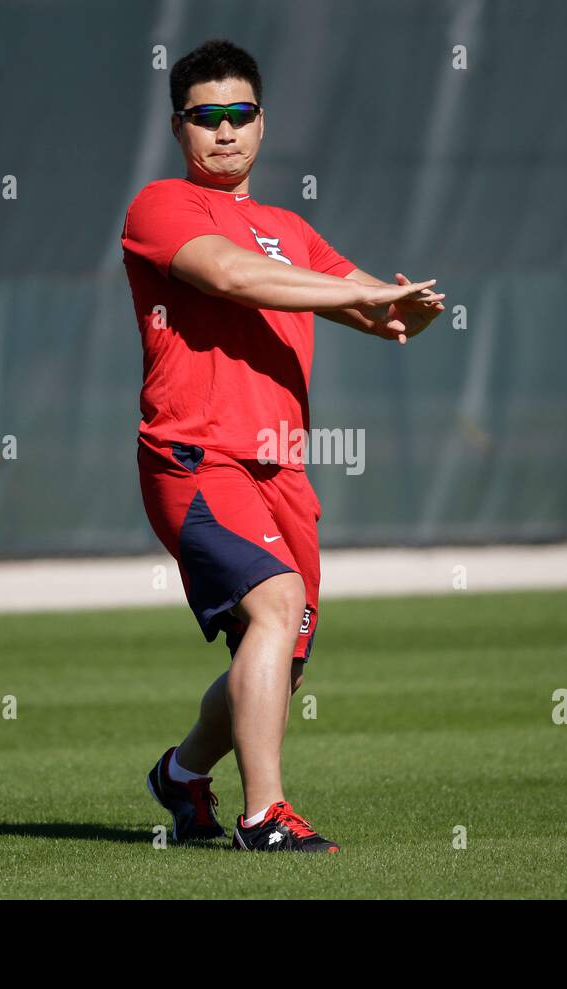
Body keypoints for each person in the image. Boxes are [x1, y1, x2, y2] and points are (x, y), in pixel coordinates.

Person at [121, 39, 444, 853]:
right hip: (195, 459)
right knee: (276, 604)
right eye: (207, 117)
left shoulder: (288, 228)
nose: (225, 131)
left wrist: (398, 306)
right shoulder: (160, 208)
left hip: (282, 470)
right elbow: (230, 276)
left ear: (263, 124)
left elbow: (371, 302)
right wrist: (362, 293)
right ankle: (264, 814)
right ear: (178, 127)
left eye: (240, 114)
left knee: (282, 661)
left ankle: (184, 773)